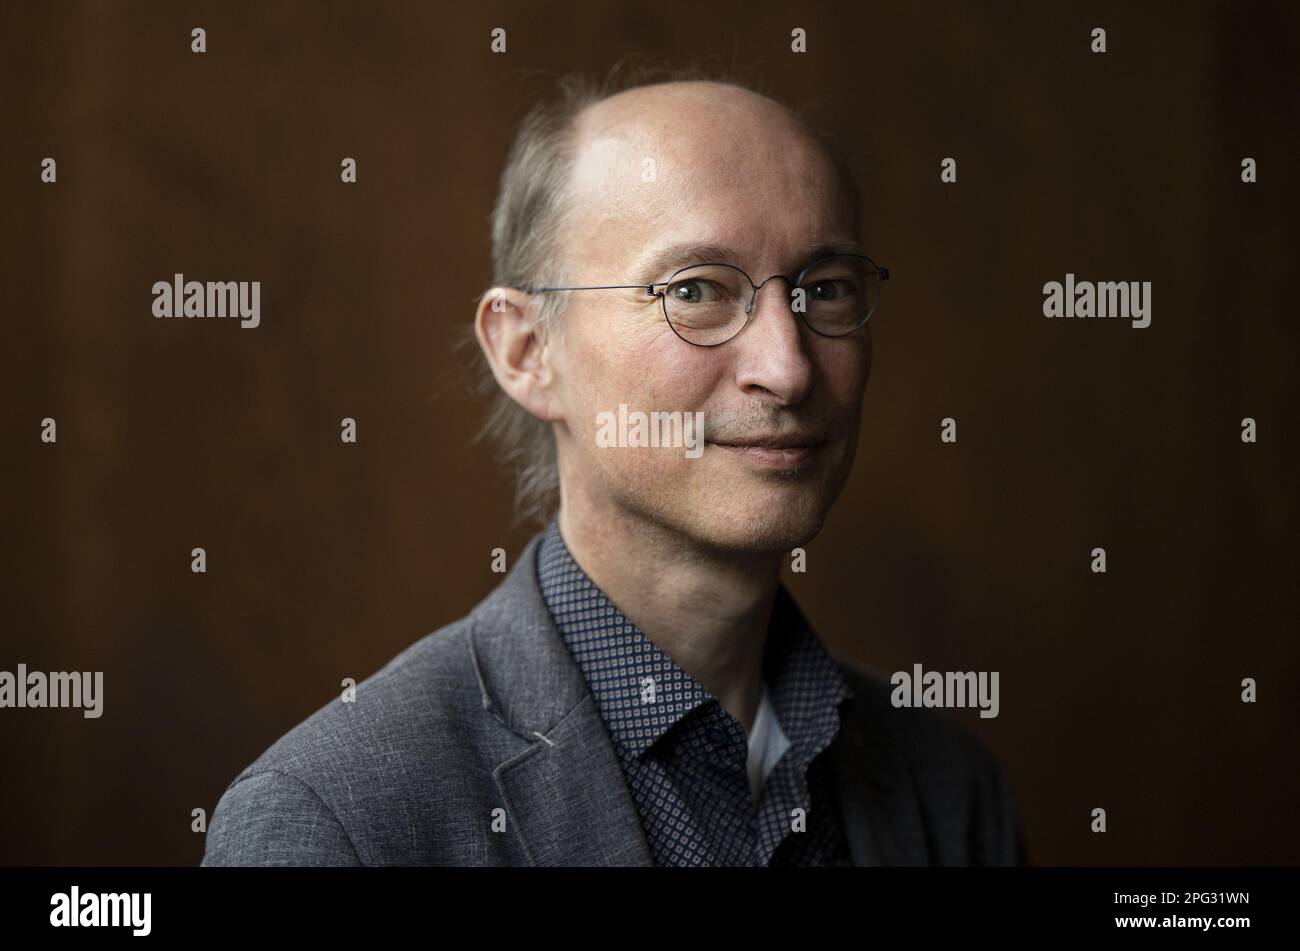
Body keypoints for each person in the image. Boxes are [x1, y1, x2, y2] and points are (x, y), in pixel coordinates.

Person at [202, 67, 1028, 866]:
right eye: (697, 290)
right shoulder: (337, 822)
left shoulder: (948, 786)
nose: (789, 366)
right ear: (528, 352)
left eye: (827, 288)